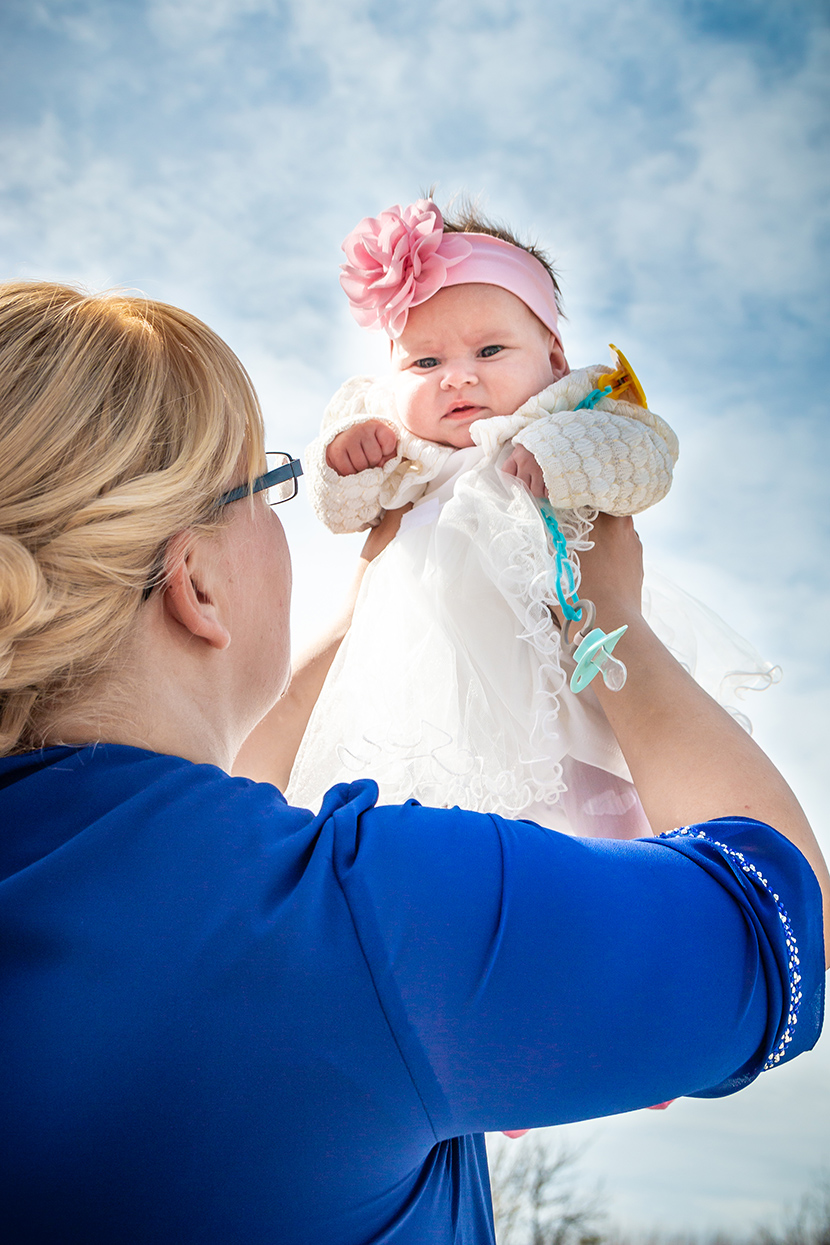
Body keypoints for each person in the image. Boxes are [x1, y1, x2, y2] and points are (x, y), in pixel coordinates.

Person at [0, 279, 826, 1245]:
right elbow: (777, 919)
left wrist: (357, 613)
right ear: (197, 585)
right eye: (267, 489)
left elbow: (204, 826)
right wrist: (613, 622)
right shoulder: (365, 917)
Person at [289, 198, 775, 836]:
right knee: (424, 815)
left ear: (554, 358)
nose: (456, 379)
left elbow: (648, 454)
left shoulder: (568, 411)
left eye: (489, 350)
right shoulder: (401, 447)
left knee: (579, 819)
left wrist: (561, 455)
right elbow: (339, 508)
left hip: (551, 672)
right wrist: (346, 460)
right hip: (421, 692)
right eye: (425, 363)